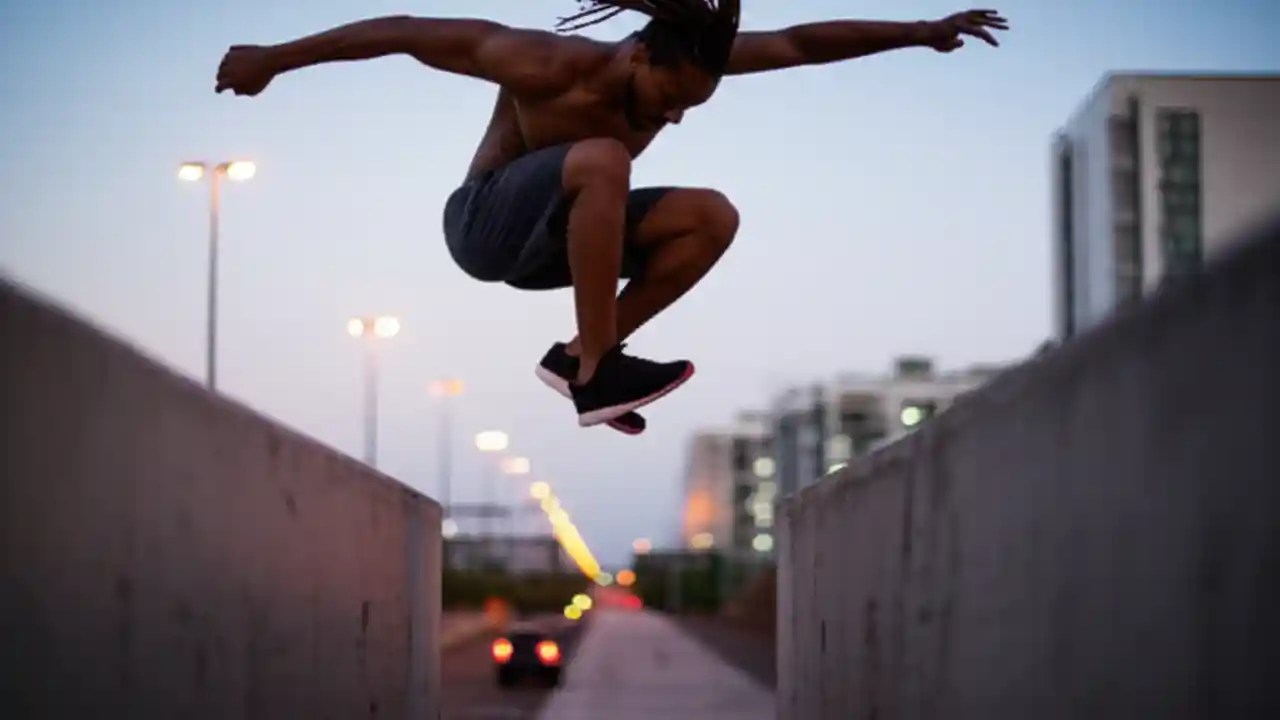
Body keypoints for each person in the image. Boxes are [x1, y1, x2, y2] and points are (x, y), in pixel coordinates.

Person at [215, 1, 1009, 435]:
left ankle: (579, 360)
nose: (674, 116)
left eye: (689, 108)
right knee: (603, 157)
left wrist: (918, 32)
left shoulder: (682, 68)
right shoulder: (538, 61)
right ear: (637, 54)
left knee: (712, 216)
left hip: (565, 245)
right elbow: (401, 32)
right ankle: (600, 365)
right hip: (485, 226)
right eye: (669, 100)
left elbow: (801, 43)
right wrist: (273, 59)